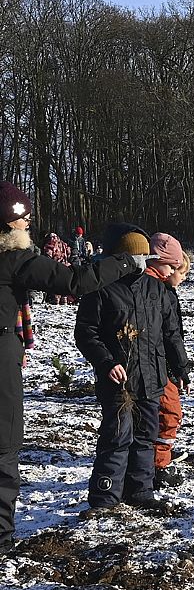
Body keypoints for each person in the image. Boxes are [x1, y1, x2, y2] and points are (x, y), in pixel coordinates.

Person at [0, 184, 142, 556]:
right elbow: (76, 282)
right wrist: (126, 262)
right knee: (5, 445)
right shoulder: (14, 258)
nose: (28, 222)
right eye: (22, 216)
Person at [75, 223, 190, 512]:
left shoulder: (157, 290)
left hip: (152, 377)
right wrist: (107, 362)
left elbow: (171, 333)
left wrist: (181, 368)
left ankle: (141, 491)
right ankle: (105, 497)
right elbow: (86, 333)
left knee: (145, 436)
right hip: (119, 381)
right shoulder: (101, 290)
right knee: (117, 436)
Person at [144, 234, 190, 488]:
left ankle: (157, 455)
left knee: (160, 414)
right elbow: (170, 334)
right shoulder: (158, 292)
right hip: (157, 363)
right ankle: (159, 463)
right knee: (168, 413)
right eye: (177, 270)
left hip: (161, 362)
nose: (180, 277)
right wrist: (182, 367)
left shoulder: (164, 291)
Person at [39, 232, 76, 305]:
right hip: (65, 265)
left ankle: (56, 299)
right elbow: (69, 252)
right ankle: (64, 298)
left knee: (55, 282)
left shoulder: (49, 245)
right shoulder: (63, 243)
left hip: (55, 266)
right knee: (63, 283)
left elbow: (48, 257)